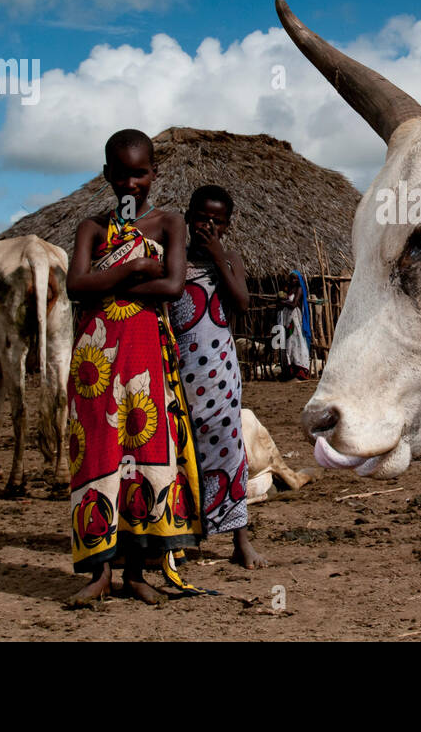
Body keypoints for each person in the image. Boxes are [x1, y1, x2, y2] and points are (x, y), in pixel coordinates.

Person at [64, 129, 207, 606]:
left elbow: (172, 288)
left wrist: (107, 285)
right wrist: (132, 270)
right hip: (95, 360)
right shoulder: (91, 227)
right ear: (107, 175)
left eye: (140, 172)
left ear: (154, 173)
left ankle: (134, 574)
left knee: (143, 457)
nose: (131, 183)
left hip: (146, 352)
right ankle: (98, 573)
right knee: (101, 455)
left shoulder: (169, 224)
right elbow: (75, 287)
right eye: (121, 173)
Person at [169, 185, 267, 569]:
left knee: (228, 450)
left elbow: (241, 303)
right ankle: (179, 536)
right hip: (178, 370)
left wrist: (217, 258)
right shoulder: (173, 261)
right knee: (179, 452)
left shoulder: (231, 260)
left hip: (220, 372)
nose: (208, 225)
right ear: (189, 215)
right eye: (202, 217)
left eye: (217, 221)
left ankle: (239, 540)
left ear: (227, 226)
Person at [277, 271, 311, 381]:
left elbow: (294, 304)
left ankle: (300, 368)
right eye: (292, 278)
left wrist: (283, 302)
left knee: (297, 341)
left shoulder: (299, 289)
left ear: (299, 280)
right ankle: (290, 368)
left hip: (295, 319)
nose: (293, 280)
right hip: (288, 319)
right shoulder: (289, 290)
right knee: (288, 342)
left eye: (295, 279)